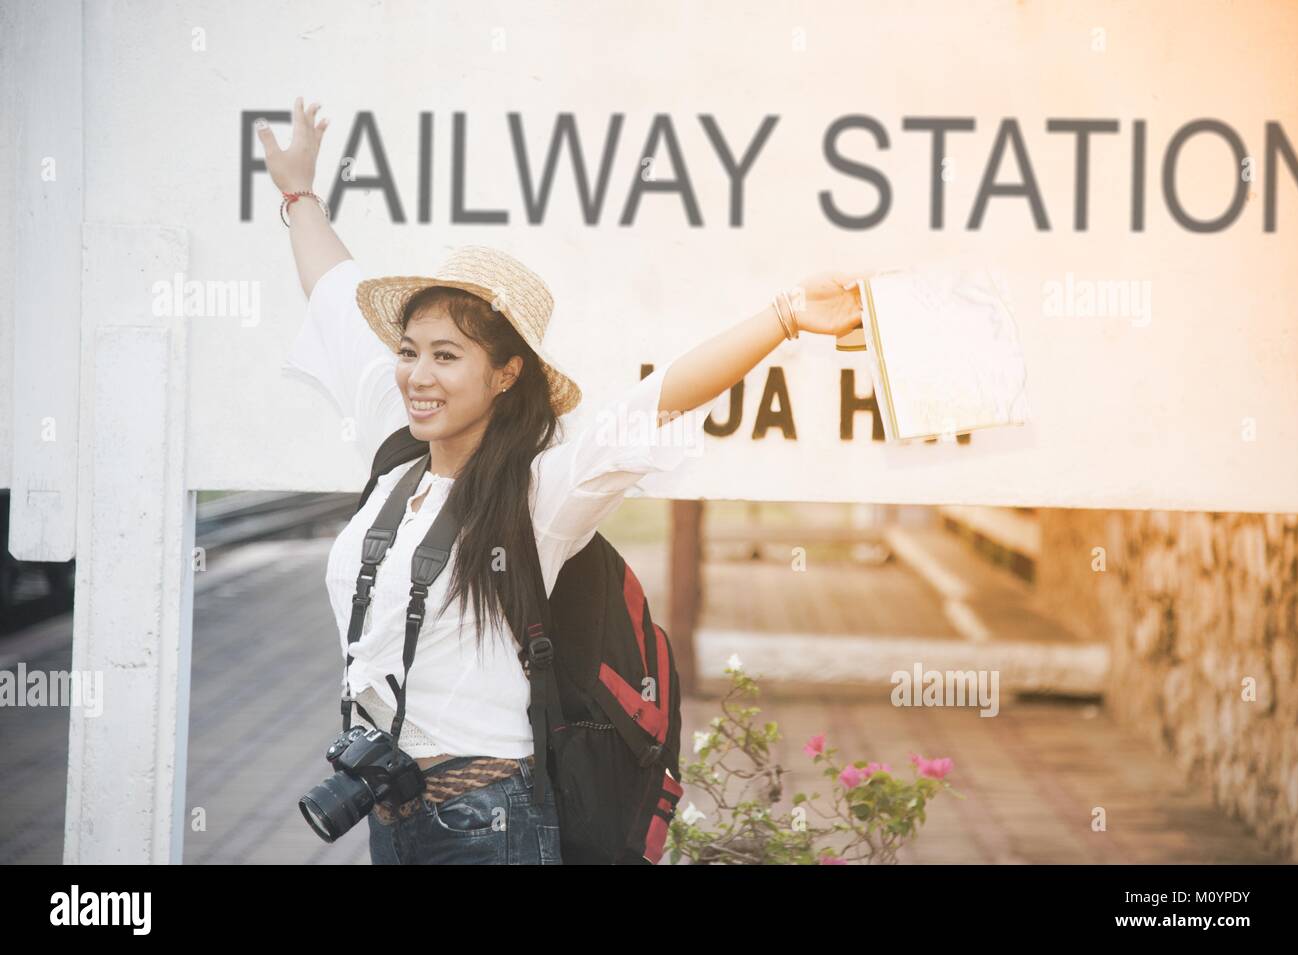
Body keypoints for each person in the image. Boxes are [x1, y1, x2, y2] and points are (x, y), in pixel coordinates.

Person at [258, 96, 865, 864]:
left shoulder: (538, 495)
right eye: (409, 350)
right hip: (388, 816)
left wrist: (786, 314)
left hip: (487, 821)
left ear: (507, 373)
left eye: (447, 356)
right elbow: (335, 294)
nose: (417, 374)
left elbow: (661, 398)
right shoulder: (397, 448)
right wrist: (299, 194)